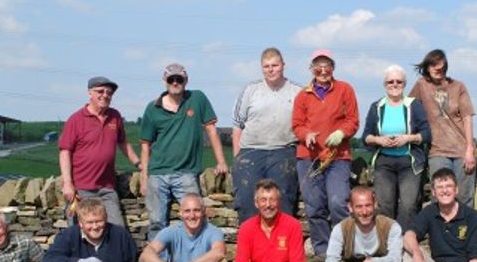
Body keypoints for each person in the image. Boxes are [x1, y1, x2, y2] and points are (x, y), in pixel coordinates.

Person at [140, 63, 229, 237]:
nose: (175, 83)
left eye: (178, 79)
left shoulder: (197, 99)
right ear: (164, 81)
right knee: (157, 223)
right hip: (157, 173)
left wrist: (221, 161)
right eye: (171, 79)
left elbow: (211, 129)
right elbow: (145, 145)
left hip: (186, 173)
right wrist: (144, 176)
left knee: (196, 220)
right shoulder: (152, 108)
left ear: (186, 80)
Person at [292, 49, 359, 261]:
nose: (322, 70)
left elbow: (353, 120)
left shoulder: (345, 89)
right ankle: (322, 250)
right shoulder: (303, 95)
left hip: (338, 157)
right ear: (311, 69)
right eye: (318, 66)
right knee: (314, 205)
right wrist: (306, 134)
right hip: (308, 157)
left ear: (333, 68)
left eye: (327, 65)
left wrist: (342, 132)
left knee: (339, 202)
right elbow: (296, 124)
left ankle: (345, 248)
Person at [59, 76, 141, 227]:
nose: (105, 95)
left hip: (107, 188)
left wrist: (139, 164)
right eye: (100, 91)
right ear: (90, 93)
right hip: (81, 189)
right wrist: (68, 184)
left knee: (117, 231)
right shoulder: (76, 119)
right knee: (80, 233)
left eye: (109, 93)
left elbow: (122, 143)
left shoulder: (115, 116)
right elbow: (65, 152)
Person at [231, 47, 302, 221]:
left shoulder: (297, 92)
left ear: (283, 65)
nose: (271, 70)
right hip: (251, 150)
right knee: (248, 200)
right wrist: (237, 156)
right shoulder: (251, 90)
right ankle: (251, 244)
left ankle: (281, 244)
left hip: (284, 150)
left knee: (283, 199)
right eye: (266, 66)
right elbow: (237, 124)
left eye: (274, 65)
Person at [362, 64, 430, 231]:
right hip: (384, 161)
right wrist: (380, 140)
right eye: (390, 81)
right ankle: (387, 243)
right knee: (385, 205)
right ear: (385, 85)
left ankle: (404, 241)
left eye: (399, 81)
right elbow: (366, 136)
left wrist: (408, 138)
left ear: (404, 84)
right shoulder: (376, 107)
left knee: (408, 205)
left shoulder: (413, 105)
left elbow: (427, 133)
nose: (394, 85)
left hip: (409, 161)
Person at [409, 49, 477, 207]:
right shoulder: (421, 86)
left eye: (441, 67)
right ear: (427, 67)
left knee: (464, 197)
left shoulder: (458, 86)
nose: (437, 70)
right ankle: (439, 231)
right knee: (439, 196)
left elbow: (467, 117)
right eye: (433, 66)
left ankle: (464, 231)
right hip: (437, 150)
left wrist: (469, 150)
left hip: (461, 149)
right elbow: (409, 109)